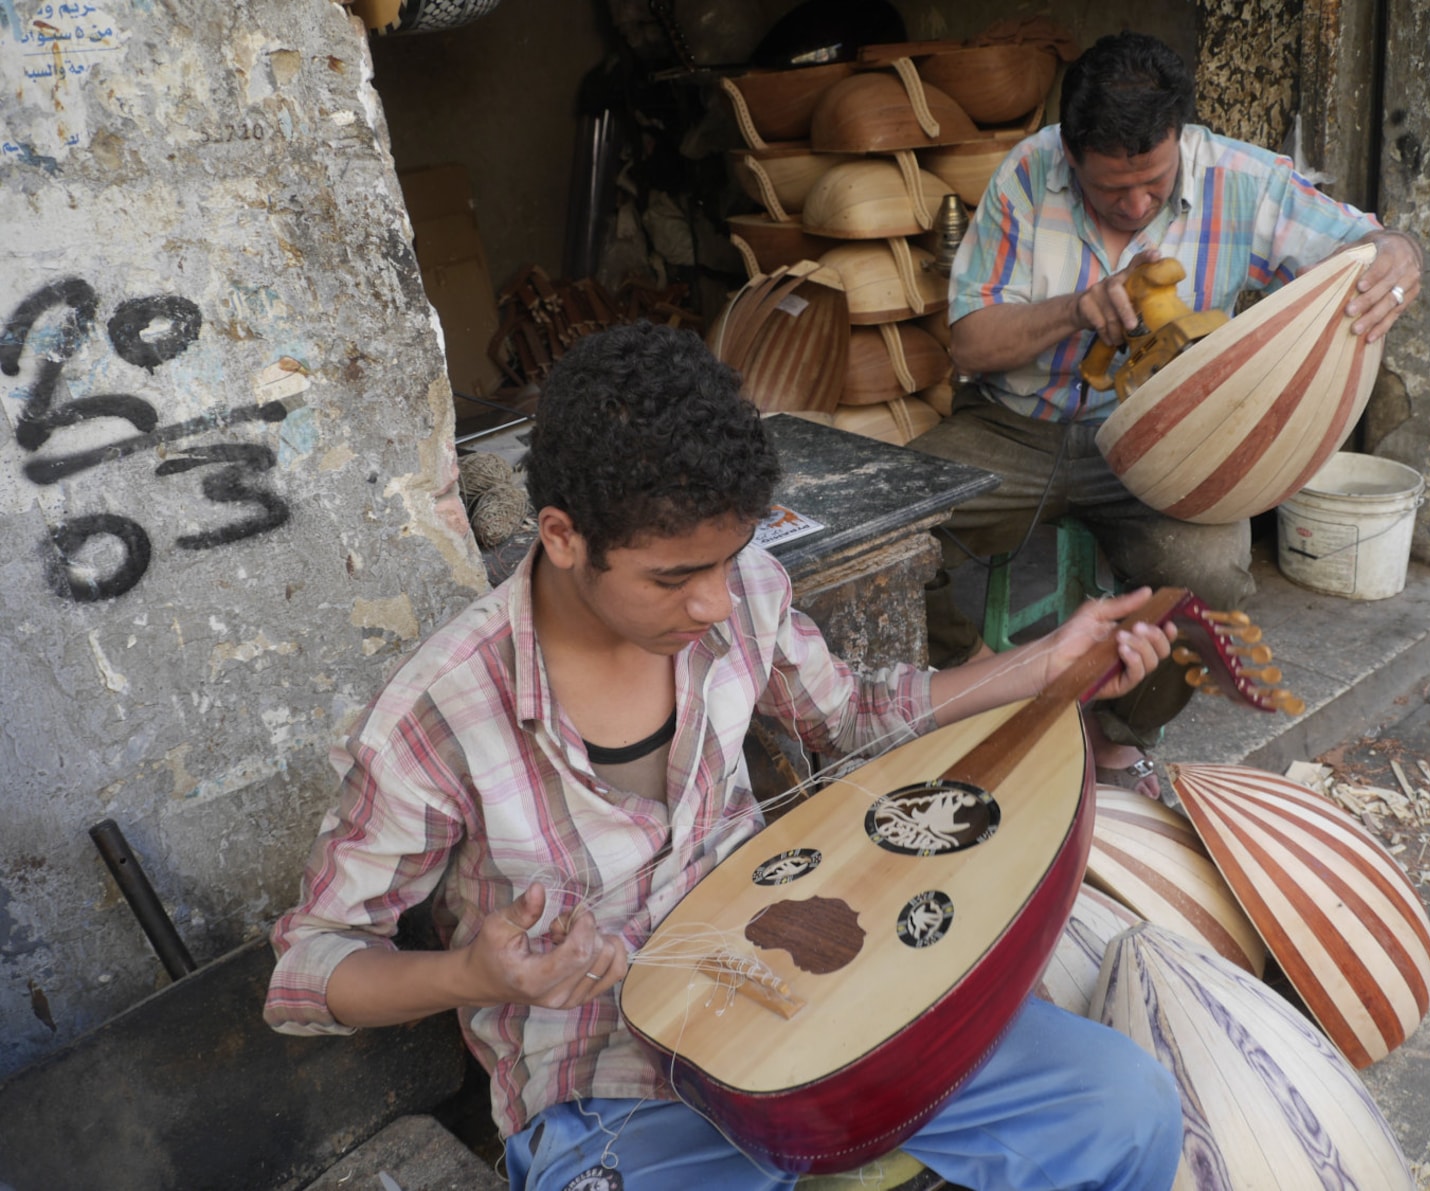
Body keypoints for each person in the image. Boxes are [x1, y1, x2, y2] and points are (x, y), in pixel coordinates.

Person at [264, 322, 1182, 1190]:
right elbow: (310, 968)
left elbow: (855, 715)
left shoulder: (746, 586)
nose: (714, 603)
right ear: (562, 536)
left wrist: (1045, 664)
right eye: (674, 577)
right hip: (609, 1079)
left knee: (1122, 1106)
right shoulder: (442, 709)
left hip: (808, 994)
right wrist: (475, 976)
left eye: (728, 559)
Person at [911, 30, 1424, 798]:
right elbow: (971, 341)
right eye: (1111, 189)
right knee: (898, 529)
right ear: (1072, 153)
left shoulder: (1241, 180)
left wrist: (1399, 254)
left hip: (1173, 449)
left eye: (1153, 181)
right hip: (1021, 425)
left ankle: (1118, 738)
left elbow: (1366, 243)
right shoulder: (1027, 174)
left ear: (1178, 136)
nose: (1138, 204)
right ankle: (970, 688)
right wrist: (1076, 310)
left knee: (1210, 571)